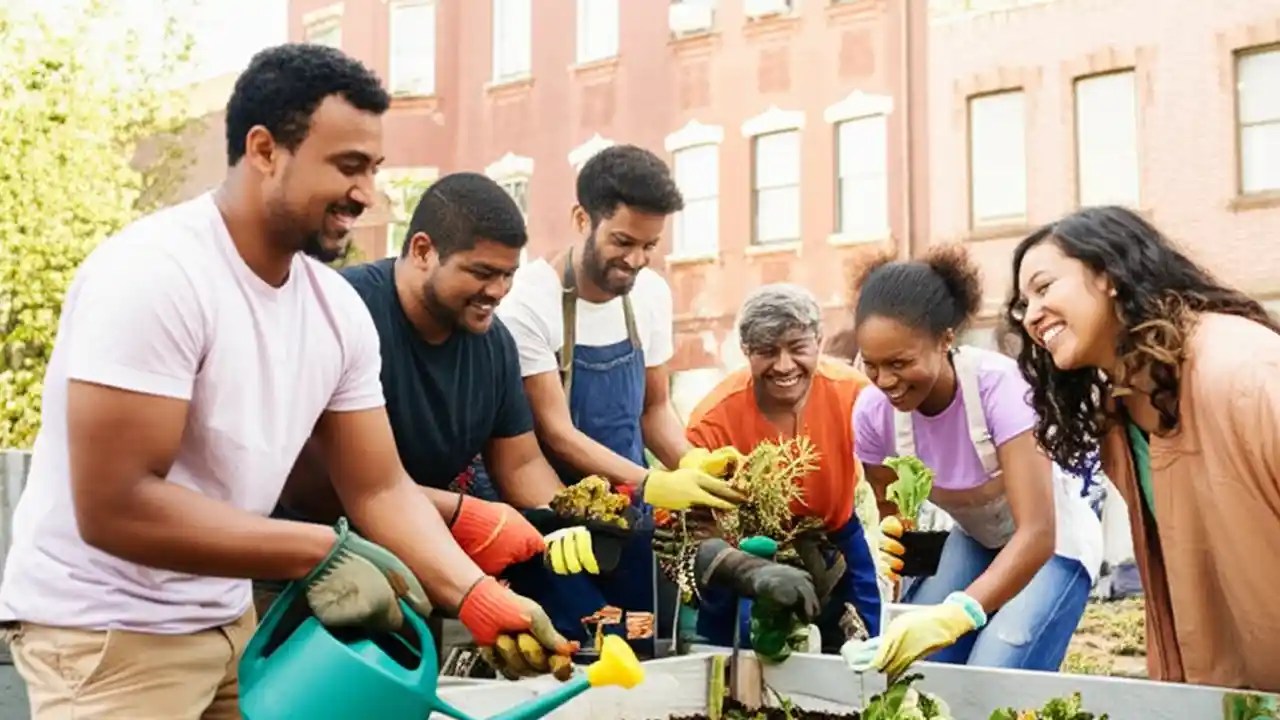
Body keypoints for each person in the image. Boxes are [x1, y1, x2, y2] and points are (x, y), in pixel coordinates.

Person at [0, 44, 571, 719]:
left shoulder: (333, 313)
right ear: (265, 150)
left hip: (226, 621)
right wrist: (319, 550)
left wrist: (475, 596)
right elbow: (116, 504)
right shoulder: (154, 275)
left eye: (374, 169)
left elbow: (379, 487)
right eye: (348, 167)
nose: (367, 194)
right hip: (109, 633)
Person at [275, 171, 737, 658]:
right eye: (480, 272)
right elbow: (314, 483)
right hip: (301, 565)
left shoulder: (493, 344)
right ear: (423, 251)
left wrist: (569, 521)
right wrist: (463, 514)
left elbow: (520, 465)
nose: (497, 291)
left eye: (507, 274)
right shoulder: (347, 311)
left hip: (417, 560)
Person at [1006, 205, 1280, 691]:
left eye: (1044, 288)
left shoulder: (1243, 372)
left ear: (1110, 275)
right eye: (1023, 303)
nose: (1031, 316)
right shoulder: (1120, 410)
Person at [496, 144, 743, 655]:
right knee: (581, 655)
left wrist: (694, 465)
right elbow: (557, 435)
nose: (635, 259)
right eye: (623, 241)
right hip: (561, 529)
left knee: (648, 654)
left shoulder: (651, 294)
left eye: (649, 245)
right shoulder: (529, 304)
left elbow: (654, 411)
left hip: (634, 524)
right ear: (582, 218)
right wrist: (656, 481)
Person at [840, 245, 1102, 678]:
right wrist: (901, 600)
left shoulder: (998, 390)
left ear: (945, 339)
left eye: (901, 363)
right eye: (872, 365)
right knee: (914, 670)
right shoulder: (874, 414)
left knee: (991, 674)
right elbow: (900, 528)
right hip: (975, 540)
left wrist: (959, 612)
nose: (886, 382)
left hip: (1053, 543)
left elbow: (1037, 532)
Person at [683, 284, 883, 653]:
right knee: (728, 666)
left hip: (835, 540)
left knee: (864, 655)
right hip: (745, 555)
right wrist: (746, 570)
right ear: (746, 352)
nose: (785, 365)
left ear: (819, 342)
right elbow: (687, 535)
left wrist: (893, 535)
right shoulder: (711, 420)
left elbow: (888, 470)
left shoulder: (856, 395)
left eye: (797, 348)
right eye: (767, 352)